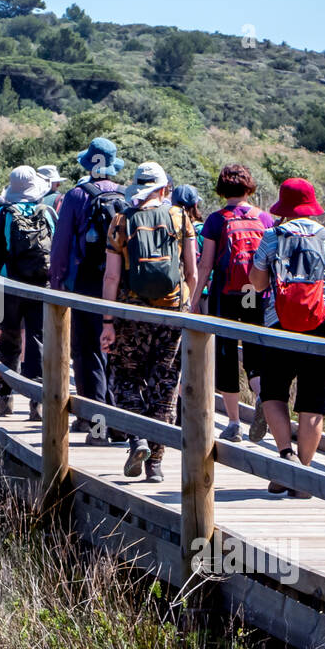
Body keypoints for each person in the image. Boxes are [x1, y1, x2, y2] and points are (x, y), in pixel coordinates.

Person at [249, 178, 325, 498]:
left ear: (283, 207)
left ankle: (287, 459)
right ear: (312, 206)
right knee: (314, 398)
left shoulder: (272, 236)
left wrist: (267, 268)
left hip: (282, 322)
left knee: (273, 392)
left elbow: (257, 284)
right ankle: (304, 475)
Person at [99, 162, 197, 483]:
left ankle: (137, 439)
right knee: (165, 385)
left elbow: (112, 276)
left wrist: (107, 321)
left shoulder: (121, 221)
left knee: (125, 378)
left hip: (130, 316)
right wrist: (185, 306)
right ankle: (155, 463)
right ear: (164, 188)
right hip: (171, 315)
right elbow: (192, 273)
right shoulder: (180, 217)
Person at [189, 165, 276, 443]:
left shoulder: (216, 220)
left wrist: (193, 300)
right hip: (254, 292)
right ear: (249, 187)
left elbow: (205, 265)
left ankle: (235, 423)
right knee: (254, 349)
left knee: (225, 353)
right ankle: (261, 392)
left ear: (222, 189)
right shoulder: (265, 218)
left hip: (225, 293)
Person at [49, 137, 126, 445]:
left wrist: (57, 284)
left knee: (88, 353)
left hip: (85, 285)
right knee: (116, 353)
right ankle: (119, 424)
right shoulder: (126, 195)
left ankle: (95, 427)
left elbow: (61, 245)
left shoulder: (76, 195)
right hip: (119, 285)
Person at [0, 166, 58, 420]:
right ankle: (36, 402)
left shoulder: (4, 213)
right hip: (41, 286)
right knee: (37, 340)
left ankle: (5, 397)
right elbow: (56, 250)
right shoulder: (46, 212)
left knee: (8, 339)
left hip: (9, 286)